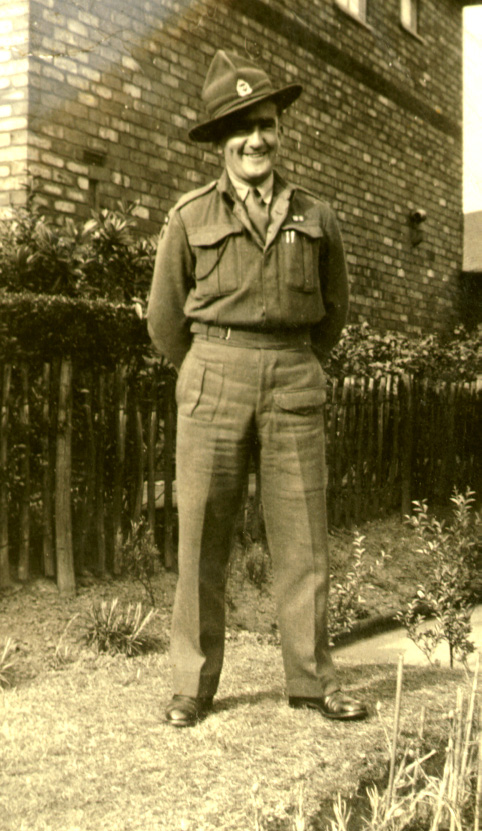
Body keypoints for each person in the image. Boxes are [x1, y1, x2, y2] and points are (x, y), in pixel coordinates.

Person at [147, 49, 368, 727]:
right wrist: (212, 365)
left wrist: (294, 363)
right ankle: (192, 684)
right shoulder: (188, 217)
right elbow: (164, 320)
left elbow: (335, 311)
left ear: (280, 129)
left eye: (266, 122)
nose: (256, 139)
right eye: (240, 128)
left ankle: (313, 679)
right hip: (213, 375)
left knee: (303, 536)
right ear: (220, 141)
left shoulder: (316, 215)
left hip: (294, 377)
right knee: (202, 535)